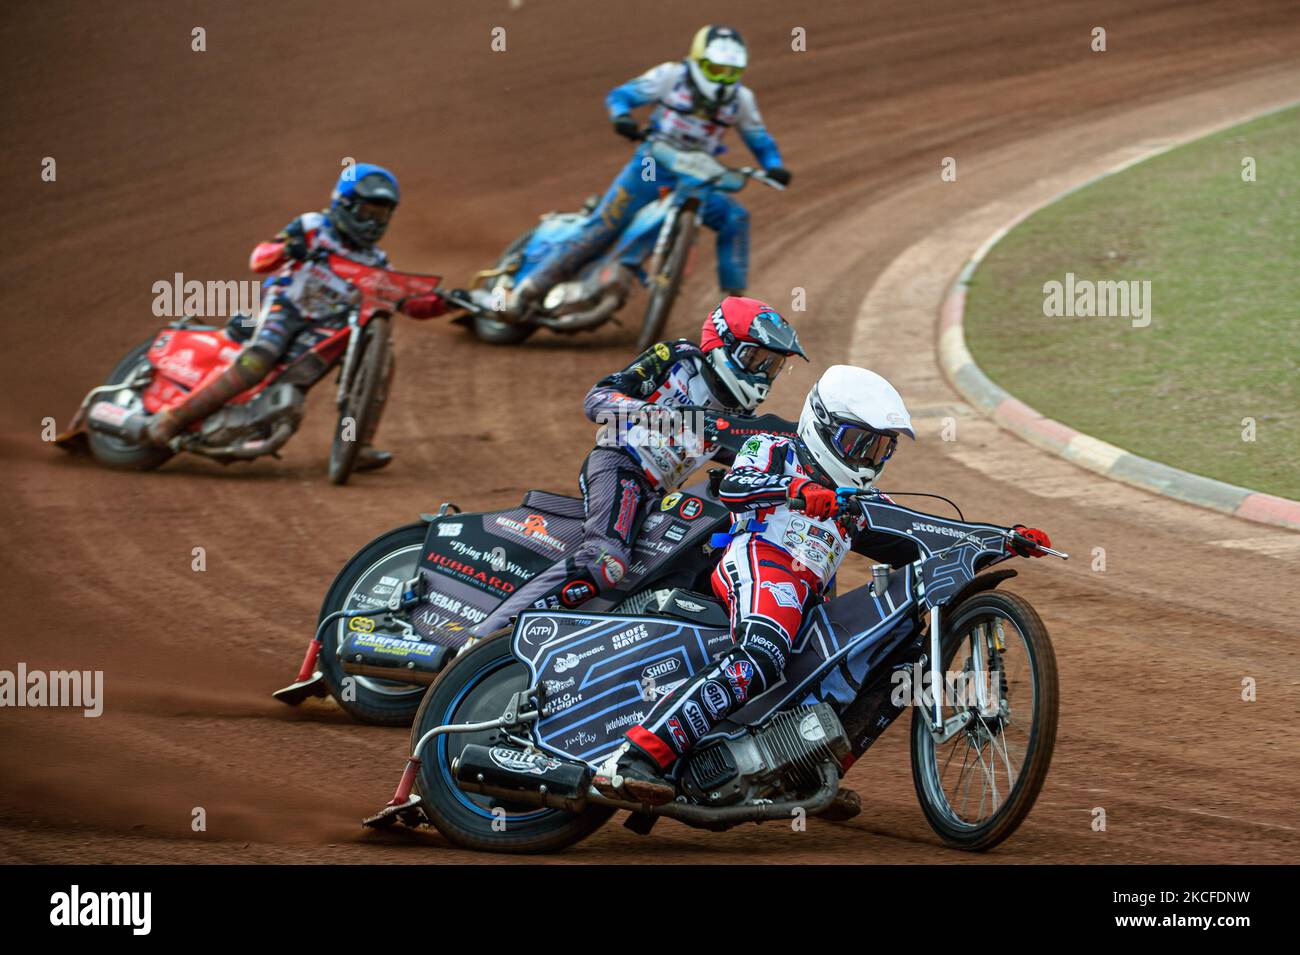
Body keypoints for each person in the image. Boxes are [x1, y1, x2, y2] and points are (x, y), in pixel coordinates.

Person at [600, 365, 1051, 804]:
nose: (866, 460)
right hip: (760, 560)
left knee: (887, 660)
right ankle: (636, 756)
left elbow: (924, 532)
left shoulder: (863, 500)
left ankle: (807, 770)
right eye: (858, 444)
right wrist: (796, 491)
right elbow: (736, 485)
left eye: (879, 450)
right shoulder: (776, 446)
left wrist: (1000, 537)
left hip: (810, 596)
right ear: (821, 425)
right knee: (762, 655)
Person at [471, 296, 806, 637]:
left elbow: (743, 453)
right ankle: (485, 637)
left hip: (656, 494)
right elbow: (597, 399)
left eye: (773, 365)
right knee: (605, 562)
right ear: (724, 343)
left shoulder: (737, 416)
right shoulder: (677, 358)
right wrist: (666, 416)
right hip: (619, 463)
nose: (765, 374)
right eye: (757, 359)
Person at [127, 163, 448, 468]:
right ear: (345, 204)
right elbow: (259, 258)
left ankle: (357, 443)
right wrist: (284, 250)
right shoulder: (313, 228)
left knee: (378, 363)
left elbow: (410, 303)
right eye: (367, 212)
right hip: (284, 307)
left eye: (381, 215)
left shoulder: (377, 261)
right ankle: (173, 419)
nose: (373, 223)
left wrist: (449, 301)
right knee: (260, 358)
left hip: (325, 330)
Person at [507, 25, 790, 315]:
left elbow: (759, 139)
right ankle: (528, 288)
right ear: (697, 60)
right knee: (605, 226)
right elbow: (621, 95)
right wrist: (622, 118)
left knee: (735, 217)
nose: (722, 78)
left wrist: (774, 166)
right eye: (715, 68)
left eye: (731, 72)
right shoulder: (670, 76)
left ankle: (734, 303)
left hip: (697, 177)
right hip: (652, 164)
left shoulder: (741, 100)